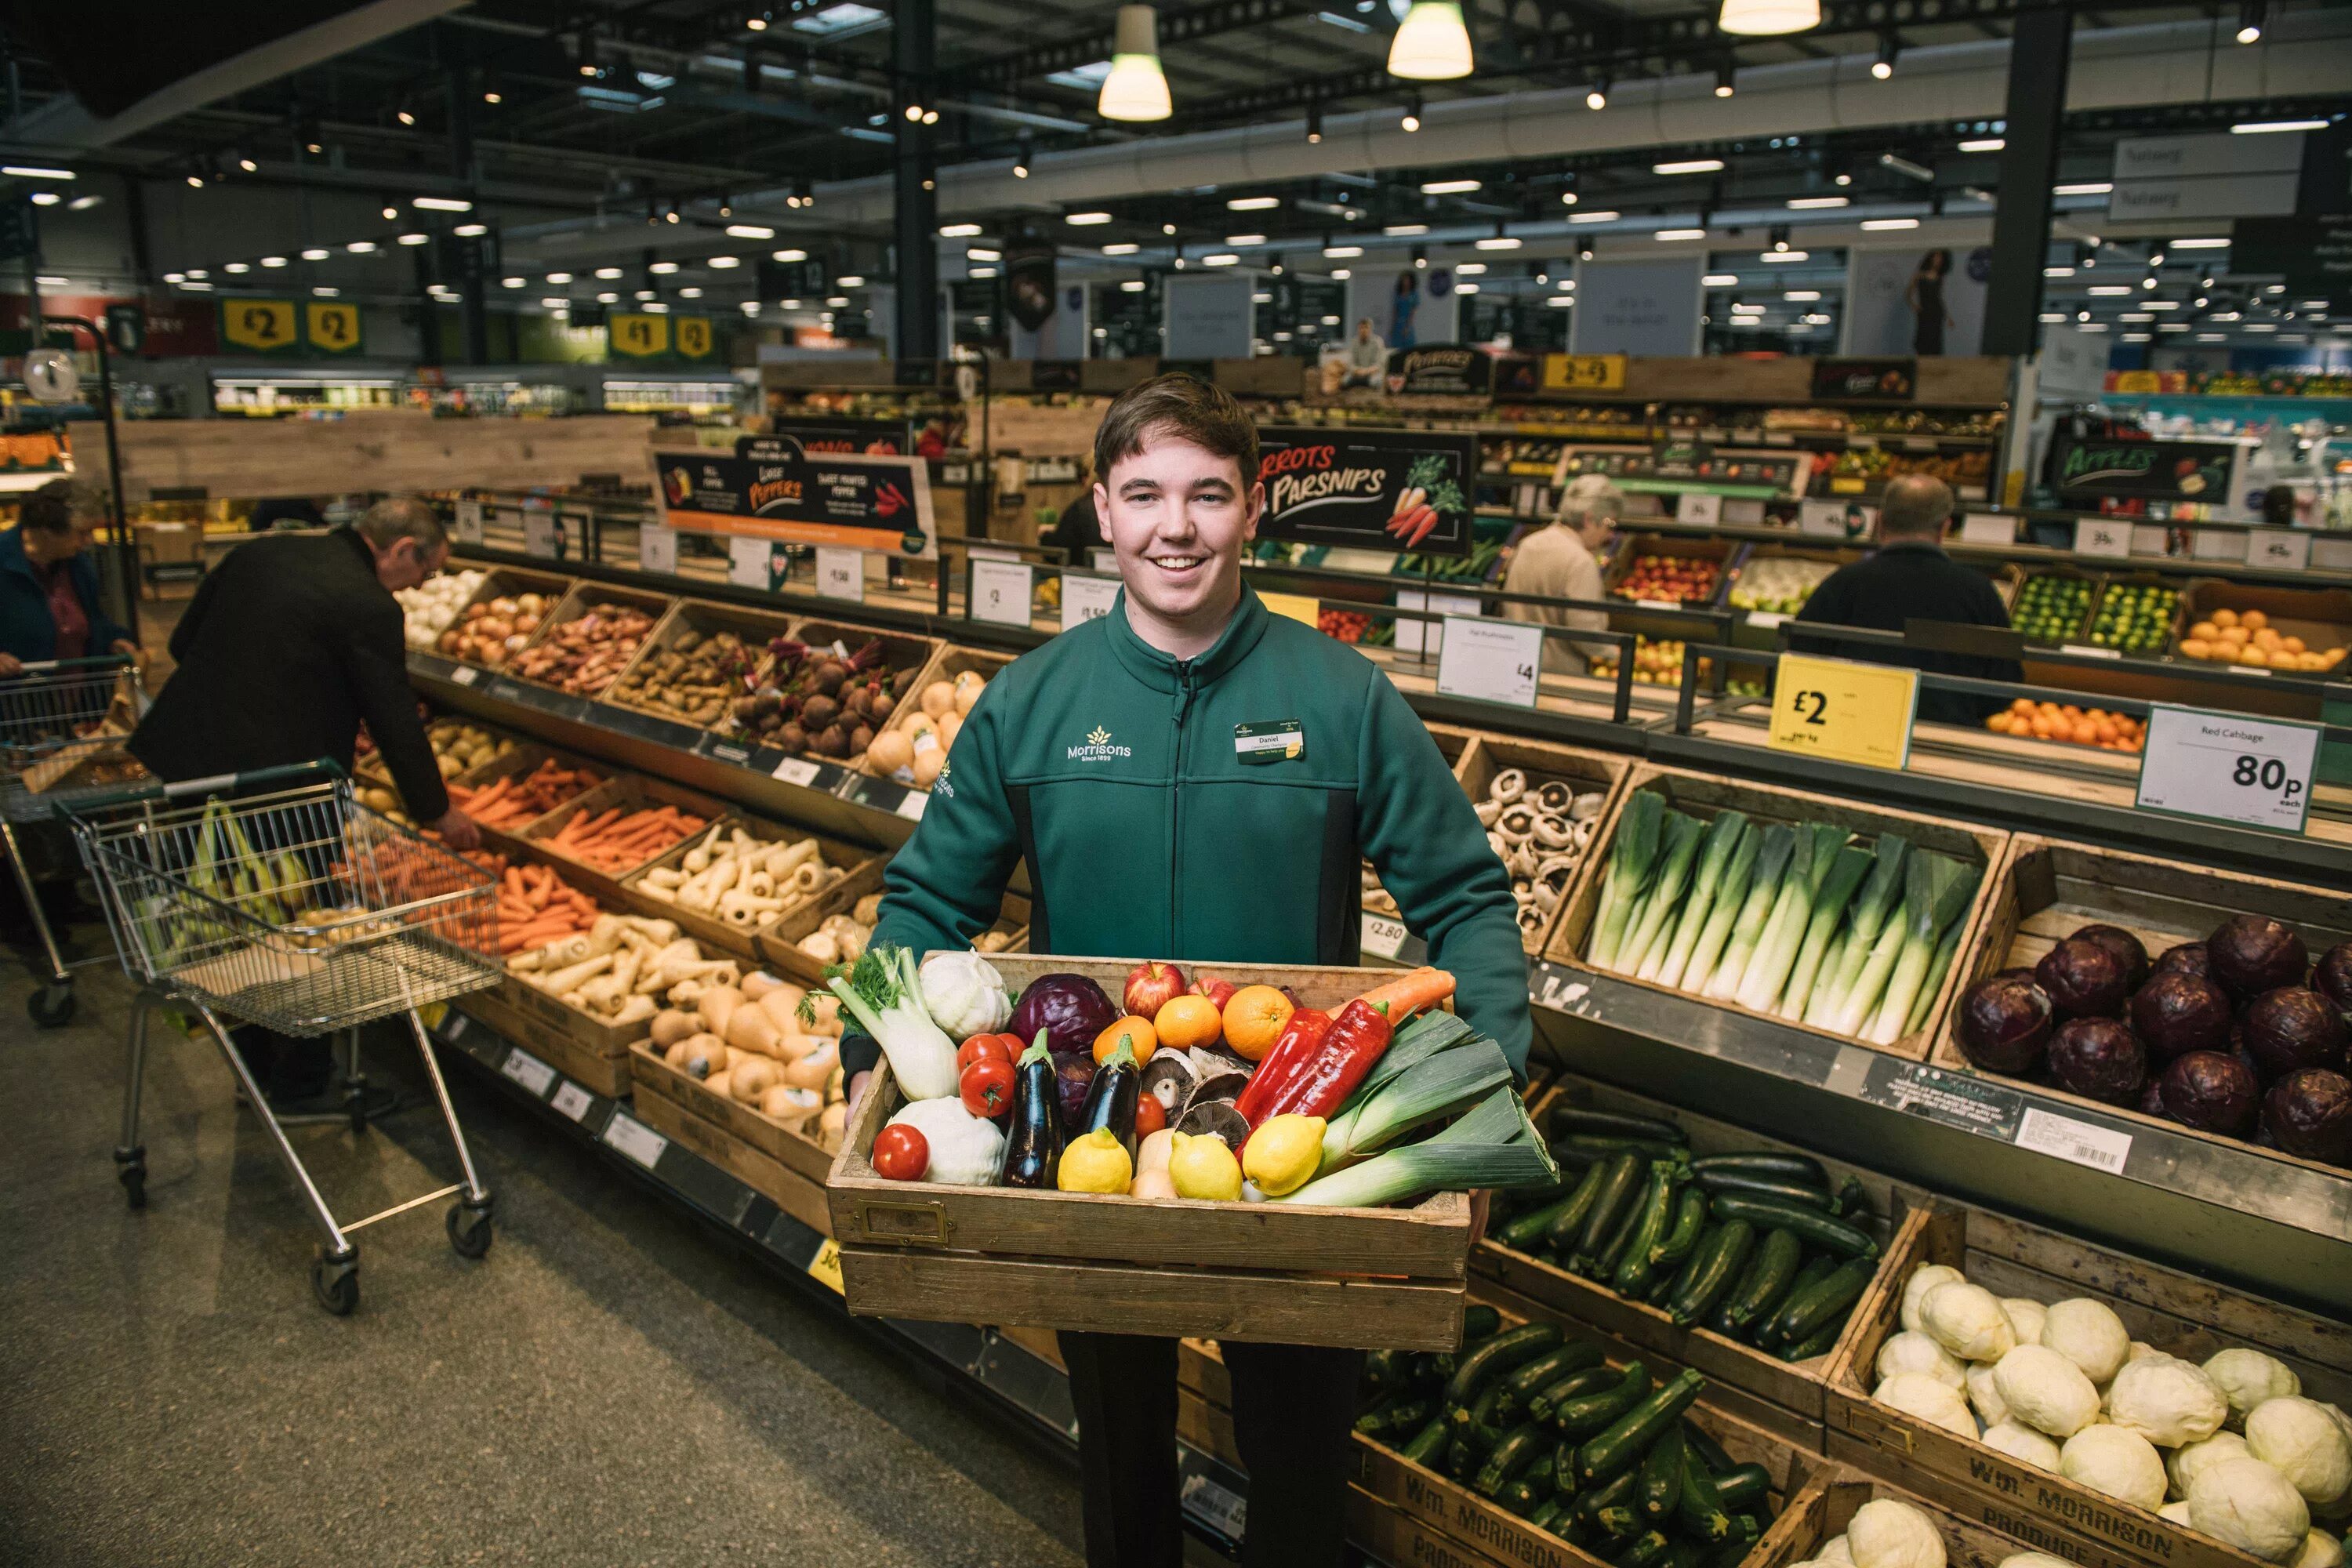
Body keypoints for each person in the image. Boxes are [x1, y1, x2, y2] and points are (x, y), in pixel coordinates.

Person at [855, 373, 1528, 1568]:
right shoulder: (1031, 702)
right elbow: (926, 896)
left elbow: (1465, 899)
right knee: (1116, 1433)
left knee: (1302, 1434)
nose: (1178, 526)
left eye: (1208, 494)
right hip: (1092, 1134)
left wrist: (1486, 1079)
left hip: (1299, 1129)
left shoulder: (1342, 696)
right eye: (1148, 494)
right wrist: (872, 1055)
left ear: (1251, 509)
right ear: (1103, 511)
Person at [130, 496, 480, 1103]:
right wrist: (436, 810)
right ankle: (300, 1081)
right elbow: (392, 717)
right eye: (426, 571)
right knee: (304, 925)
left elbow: (184, 643)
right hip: (282, 787)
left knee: (227, 919)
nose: (425, 583)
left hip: (189, 763)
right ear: (400, 551)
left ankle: (251, 1061)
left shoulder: (261, 553)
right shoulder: (368, 605)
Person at [1791, 474, 2022, 726]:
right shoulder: (1978, 591)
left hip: (1854, 731)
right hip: (1947, 740)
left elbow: (1797, 659)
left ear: (1880, 522)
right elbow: (2005, 687)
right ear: (1945, 528)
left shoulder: (1844, 583)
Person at [0, 477, 140, 677]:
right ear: (48, 530)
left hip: (77, 695)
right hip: (19, 698)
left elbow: (93, 618)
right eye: (82, 533)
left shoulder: (78, 565)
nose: (88, 541)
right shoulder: (4, 560)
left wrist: (113, 639)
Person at [1501, 474, 1624, 675]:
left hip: (1519, 668)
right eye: (1609, 525)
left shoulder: (1529, 544)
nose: (1610, 535)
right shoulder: (1580, 562)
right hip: (1559, 674)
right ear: (1589, 519)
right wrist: (1616, 653)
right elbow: (1584, 631)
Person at [1907, 250, 1954, 357]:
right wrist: (1914, 306)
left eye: (1940, 259)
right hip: (1924, 311)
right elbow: (1908, 293)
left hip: (1936, 312)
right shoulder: (1919, 275)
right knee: (1923, 338)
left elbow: (1939, 297)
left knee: (1935, 339)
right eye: (1936, 257)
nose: (1938, 261)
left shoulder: (1940, 277)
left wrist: (1947, 316)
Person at [1342, 318, 1387, 389]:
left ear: (1371, 329)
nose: (1364, 330)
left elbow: (1379, 364)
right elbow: (1350, 363)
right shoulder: (1354, 342)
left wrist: (1366, 371)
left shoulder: (1378, 342)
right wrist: (1358, 371)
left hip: (1372, 374)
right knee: (1344, 381)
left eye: (1366, 328)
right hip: (1357, 374)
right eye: (1361, 328)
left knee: (1376, 383)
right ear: (1358, 329)